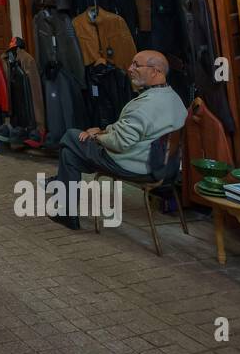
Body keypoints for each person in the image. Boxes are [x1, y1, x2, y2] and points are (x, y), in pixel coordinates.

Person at [48, 49, 188, 229]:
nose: (130, 68)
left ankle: (65, 204)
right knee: (70, 156)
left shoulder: (144, 106)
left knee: (71, 137)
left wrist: (97, 135)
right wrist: (105, 130)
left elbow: (120, 143)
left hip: (135, 165)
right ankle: (65, 208)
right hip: (166, 167)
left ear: (155, 71)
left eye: (136, 65)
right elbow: (133, 130)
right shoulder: (174, 98)